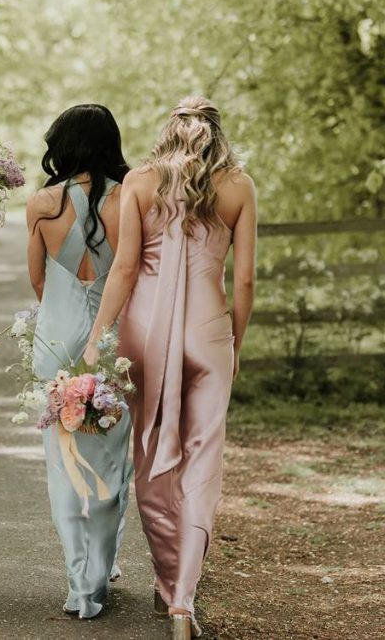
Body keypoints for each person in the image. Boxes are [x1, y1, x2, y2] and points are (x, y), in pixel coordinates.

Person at [84, 96, 257, 639]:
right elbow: (246, 280)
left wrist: (96, 339)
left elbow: (126, 267)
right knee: (203, 460)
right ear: (215, 133)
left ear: (170, 131)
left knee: (152, 453)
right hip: (209, 332)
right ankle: (183, 601)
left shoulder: (138, 183)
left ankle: (166, 587)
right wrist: (236, 341)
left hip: (147, 332)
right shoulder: (239, 186)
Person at [25, 104, 133, 618]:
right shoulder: (128, 200)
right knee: (111, 460)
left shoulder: (41, 203)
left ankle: (76, 585)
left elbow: (39, 281)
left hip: (56, 338)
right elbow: (133, 272)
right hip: (111, 339)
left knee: (62, 461)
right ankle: (98, 576)